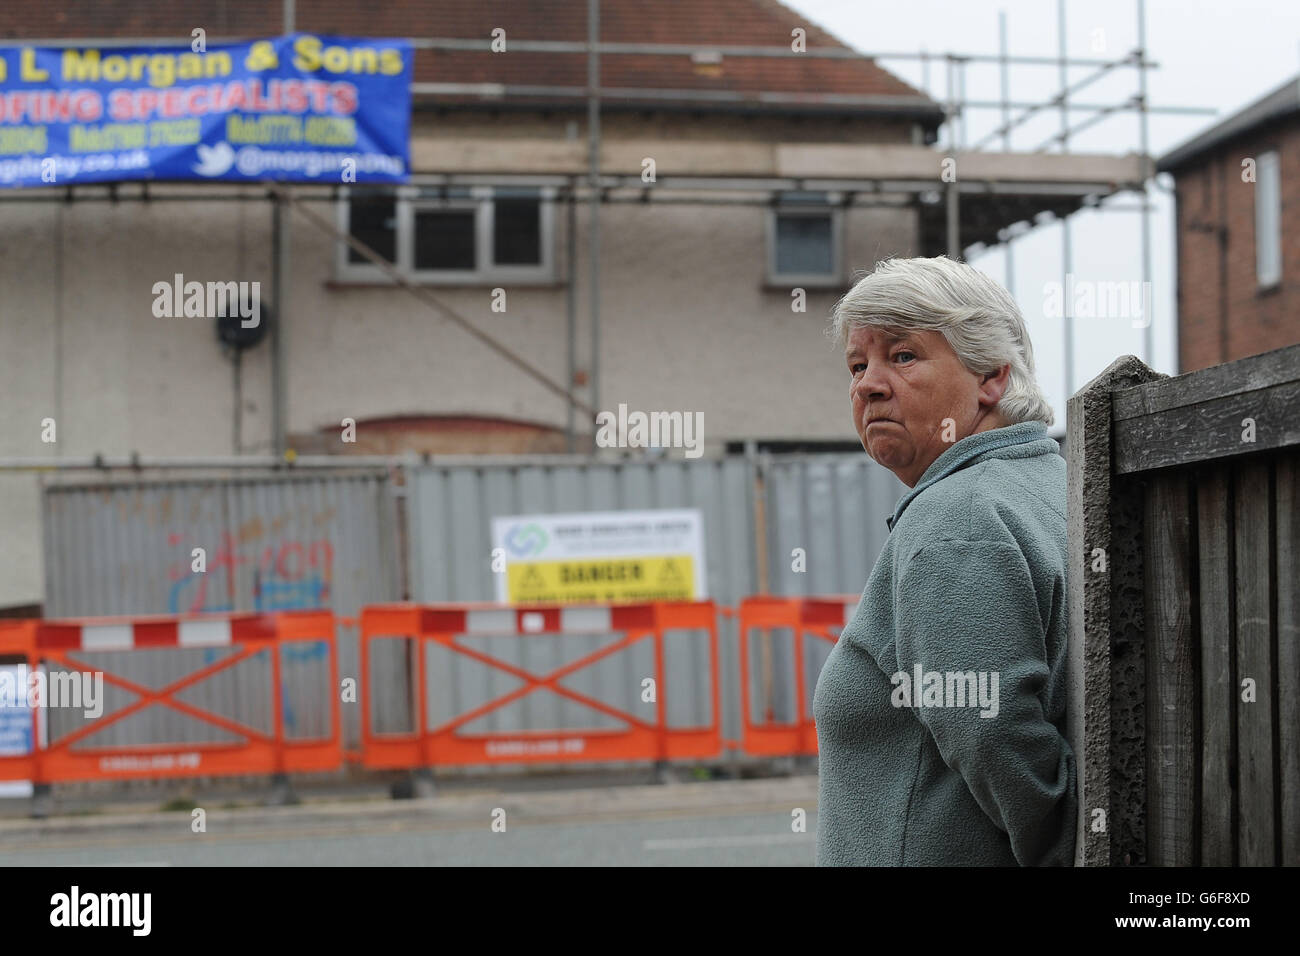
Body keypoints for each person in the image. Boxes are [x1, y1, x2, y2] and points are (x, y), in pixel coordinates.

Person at [812, 255, 1077, 866]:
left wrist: (1062, 852)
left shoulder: (956, 518)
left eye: (903, 356)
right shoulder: (1052, 486)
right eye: (859, 363)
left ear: (991, 377)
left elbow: (991, 730)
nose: (867, 384)